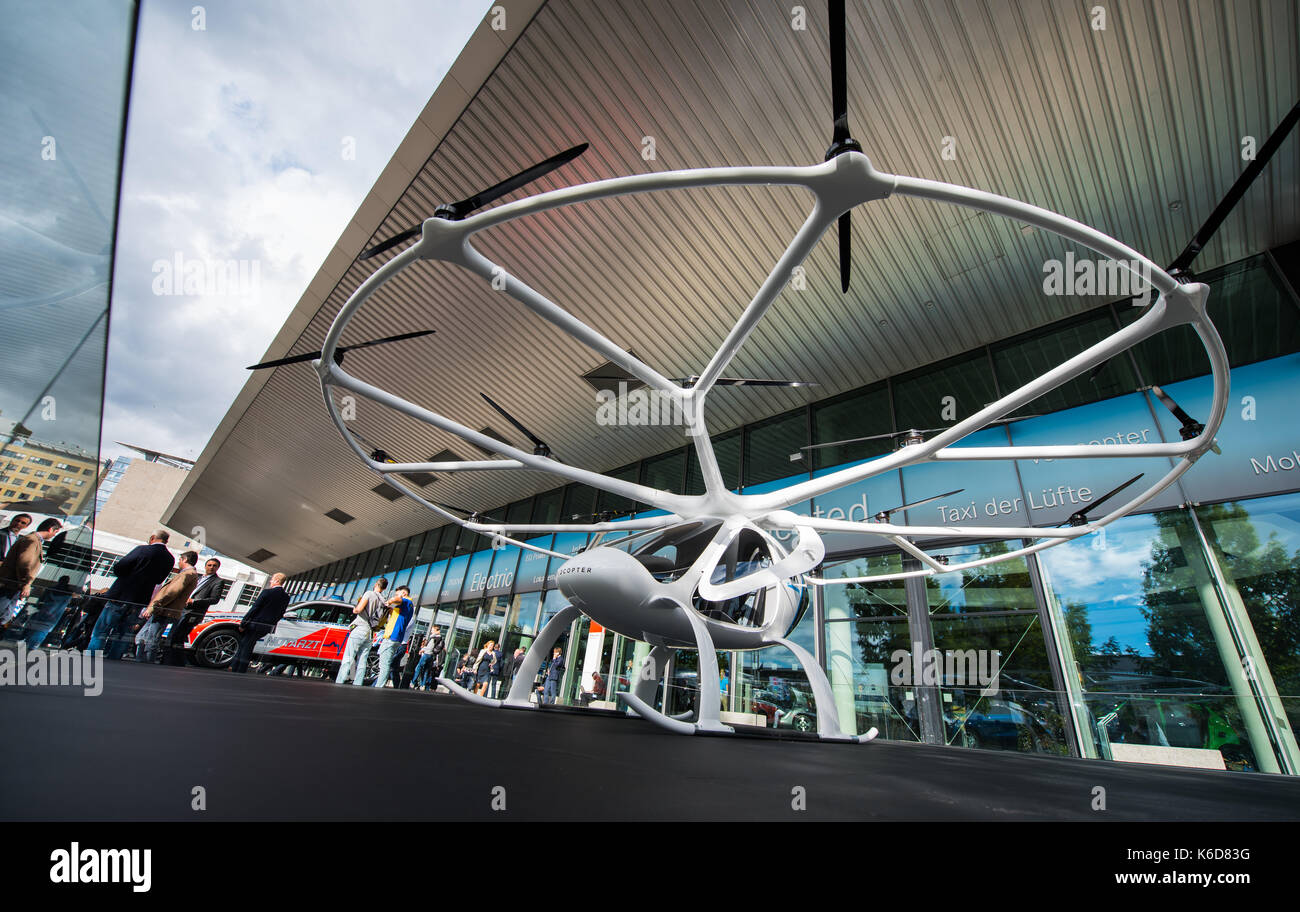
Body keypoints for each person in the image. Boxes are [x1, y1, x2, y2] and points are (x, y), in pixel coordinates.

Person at [87, 530, 175, 659]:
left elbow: (120, 567)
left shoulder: (142, 550)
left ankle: (92, 656)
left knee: (102, 630)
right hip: (139, 600)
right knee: (124, 634)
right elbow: (158, 580)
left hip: (121, 595)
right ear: (166, 541)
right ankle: (114, 658)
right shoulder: (169, 559)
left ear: (152, 538)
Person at [135, 551, 199, 664]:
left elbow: (172, 592)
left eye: (180, 560)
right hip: (165, 611)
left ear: (184, 560)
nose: (178, 562)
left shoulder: (187, 574)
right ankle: (142, 662)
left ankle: (145, 664)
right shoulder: (188, 574)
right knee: (145, 637)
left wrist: (154, 606)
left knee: (150, 639)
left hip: (164, 611)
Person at [0, 517, 62, 632]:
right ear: (50, 529)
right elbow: (24, 563)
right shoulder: (32, 540)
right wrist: (26, 584)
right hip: (10, 584)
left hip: (12, 585)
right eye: (55, 532)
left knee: (5, 615)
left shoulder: (33, 540)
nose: (54, 535)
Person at [165, 557, 224, 666]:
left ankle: (175, 662)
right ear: (205, 566)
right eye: (209, 565)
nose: (211, 567)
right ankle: (172, 660)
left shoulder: (218, 581)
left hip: (193, 612)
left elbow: (214, 599)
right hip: (181, 609)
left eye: (214, 566)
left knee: (179, 636)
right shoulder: (198, 577)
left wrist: (194, 601)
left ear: (218, 568)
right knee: (173, 635)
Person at [229, 573, 289, 673]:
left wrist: (244, 623)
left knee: (246, 645)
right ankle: (235, 665)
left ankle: (240, 668)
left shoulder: (267, 592)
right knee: (247, 644)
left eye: (272, 579)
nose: (270, 581)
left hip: (255, 624)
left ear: (277, 581)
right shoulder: (286, 597)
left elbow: (255, 608)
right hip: (267, 626)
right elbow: (281, 613)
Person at [336, 578, 387, 685]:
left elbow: (358, 609)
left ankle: (340, 680)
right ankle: (358, 683)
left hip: (360, 628)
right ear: (385, 588)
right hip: (371, 632)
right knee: (363, 660)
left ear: (376, 584)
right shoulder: (383, 600)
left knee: (349, 657)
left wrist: (355, 609)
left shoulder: (369, 594)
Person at [373, 585, 413, 688]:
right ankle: (379, 685)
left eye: (397, 594)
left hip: (392, 637)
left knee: (385, 664)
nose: (395, 596)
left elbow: (396, 599)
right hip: (395, 637)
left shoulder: (406, 601)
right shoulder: (407, 605)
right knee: (386, 663)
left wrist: (389, 601)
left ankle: (379, 686)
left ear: (403, 593)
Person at [25, 575, 74, 648]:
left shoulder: (51, 589)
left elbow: (42, 599)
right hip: (55, 615)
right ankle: (33, 645)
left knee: (36, 627)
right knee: (43, 630)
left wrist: (37, 606)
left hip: (44, 610)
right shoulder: (68, 593)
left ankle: (28, 642)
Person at [411, 625, 445, 690]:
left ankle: (413, 682)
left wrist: (423, 650)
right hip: (431, 656)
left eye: (432, 630)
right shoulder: (439, 638)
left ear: (435, 630)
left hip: (427, 654)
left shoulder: (434, 637)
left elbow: (430, 647)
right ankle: (423, 685)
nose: (431, 631)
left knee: (418, 667)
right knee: (426, 670)